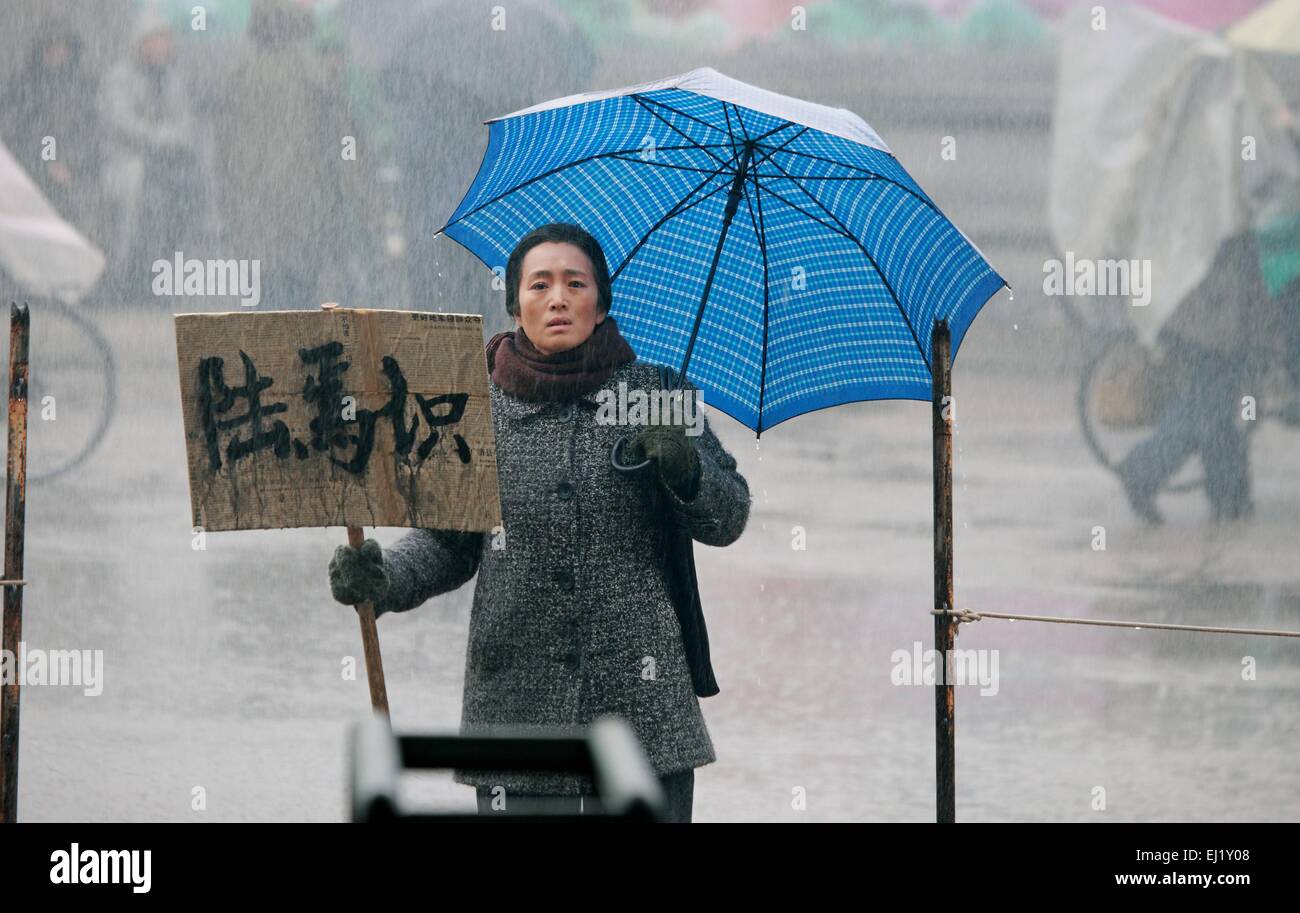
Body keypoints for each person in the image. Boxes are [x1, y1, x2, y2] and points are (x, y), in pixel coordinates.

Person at [328, 223, 751, 821]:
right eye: (540, 284)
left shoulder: (657, 392)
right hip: (514, 717)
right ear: (515, 303)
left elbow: (728, 516)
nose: (558, 298)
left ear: (602, 303)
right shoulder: (473, 403)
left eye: (575, 284)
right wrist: (383, 580)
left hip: (643, 718)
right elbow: (449, 543)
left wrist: (686, 471)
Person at [1117, 229, 1284, 523]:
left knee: (1217, 401)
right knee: (1210, 401)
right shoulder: (1215, 207)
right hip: (1212, 314)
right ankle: (1145, 470)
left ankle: (1229, 494)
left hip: (1211, 309)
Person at [98, 10, 208, 301]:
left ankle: (162, 274)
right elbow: (122, 123)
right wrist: (162, 137)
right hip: (129, 163)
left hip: (165, 165)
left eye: (166, 40)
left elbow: (185, 121)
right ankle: (128, 278)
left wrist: (171, 139)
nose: (163, 46)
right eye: (157, 40)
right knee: (140, 211)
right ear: (142, 44)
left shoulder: (173, 78)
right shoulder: (119, 78)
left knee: (185, 202)